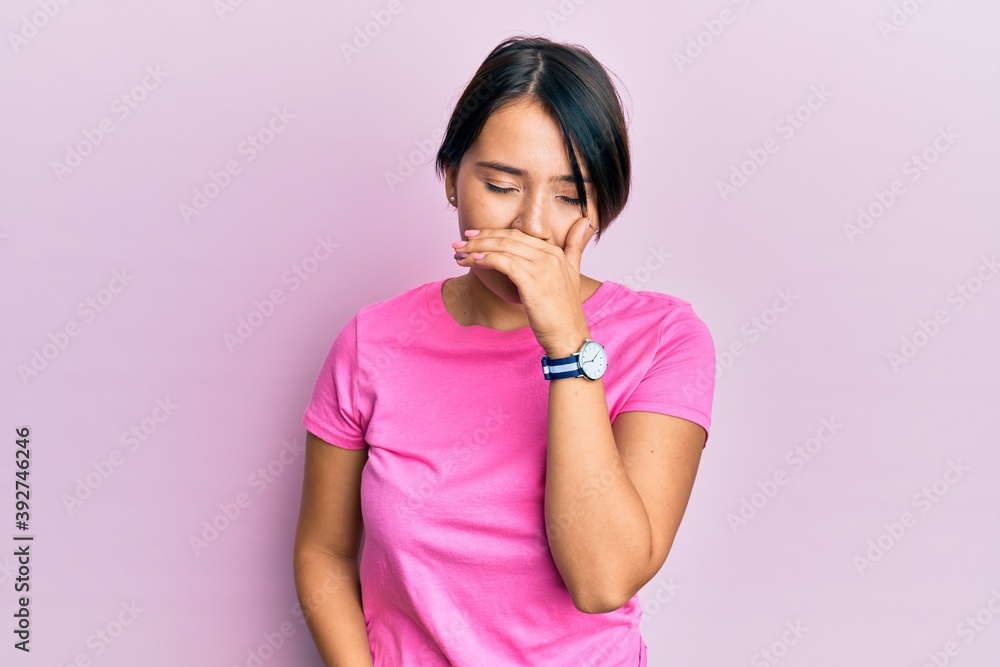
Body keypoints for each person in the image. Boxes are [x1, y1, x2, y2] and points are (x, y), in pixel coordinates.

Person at [293, 34, 716, 666]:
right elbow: (323, 551)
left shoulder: (665, 338)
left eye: (569, 196)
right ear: (451, 178)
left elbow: (602, 581)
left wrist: (569, 345)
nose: (533, 227)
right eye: (500, 185)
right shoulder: (372, 341)